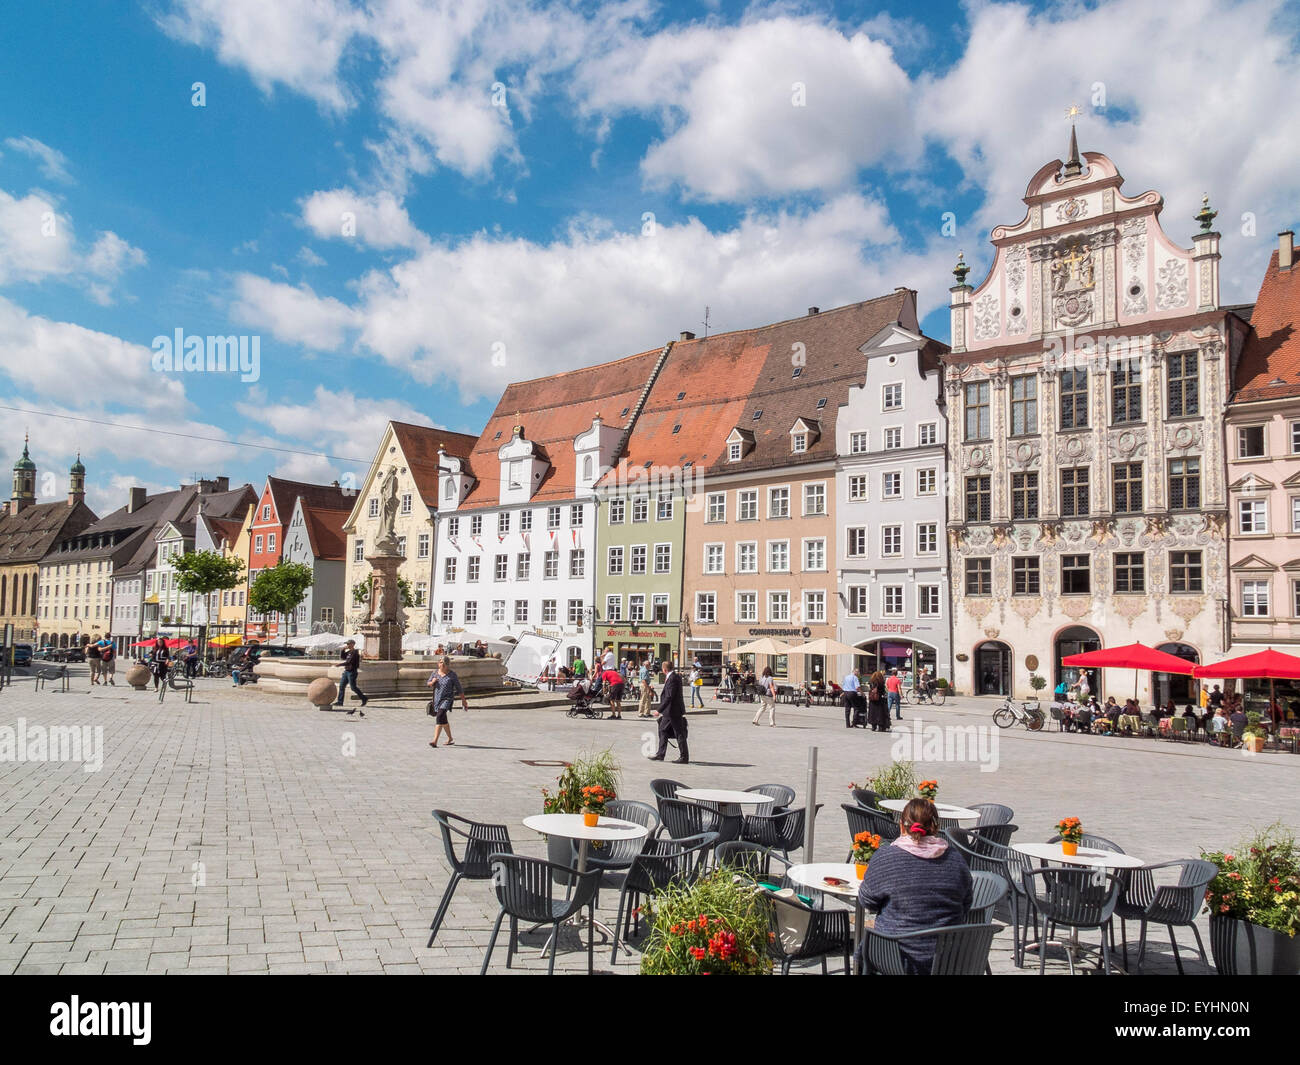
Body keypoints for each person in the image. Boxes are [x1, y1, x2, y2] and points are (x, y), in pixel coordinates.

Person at [858, 799, 973, 975]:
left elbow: (867, 901)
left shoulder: (886, 858)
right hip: (948, 960)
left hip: (897, 958)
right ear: (935, 827)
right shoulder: (956, 860)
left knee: (862, 951)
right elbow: (966, 904)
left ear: (902, 827)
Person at [649, 660, 688, 764]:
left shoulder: (672, 678)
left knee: (679, 733)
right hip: (669, 711)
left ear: (664, 669)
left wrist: (659, 709)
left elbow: (669, 696)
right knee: (663, 730)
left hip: (673, 711)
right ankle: (660, 754)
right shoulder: (674, 677)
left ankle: (684, 757)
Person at [426, 656, 468, 747]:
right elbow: (428, 683)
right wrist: (432, 682)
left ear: (447, 665)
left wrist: (463, 700)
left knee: (440, 716)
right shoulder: (435, 673)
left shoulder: (452, 675)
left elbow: (459, 688)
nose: (442, 664)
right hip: (437, 699)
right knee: (443, 719)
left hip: (447, 699)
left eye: (444, 663)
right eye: (440, 662)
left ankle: (435, 741)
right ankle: (450, 738)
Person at [334, 639, 368, 715]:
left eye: (348, 644)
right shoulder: (349, 652)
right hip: (346, 672)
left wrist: (339, 665)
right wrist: (343, 650)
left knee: (353, 687)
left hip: (352, 672)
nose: (347, 645)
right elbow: (343, 657)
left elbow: (349, 662)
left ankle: (364, 698)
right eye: (347, 644)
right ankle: (340, 702)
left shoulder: (355, 653)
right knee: (342, 686)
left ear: (353, 644)